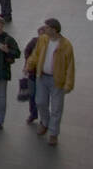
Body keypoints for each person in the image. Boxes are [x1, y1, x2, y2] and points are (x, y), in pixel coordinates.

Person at [25, 18, 75, 146]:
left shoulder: (66, 45)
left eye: (46, 27)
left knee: (56, 108)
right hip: (42, 77)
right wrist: (29, 65)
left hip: (57, 80)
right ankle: (45, 122)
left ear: (54, 30)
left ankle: (53, 133)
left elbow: (70, 66)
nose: (44, 29)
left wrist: (68, 84)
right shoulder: (43, 39)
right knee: (40, 101)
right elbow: (36, 54)